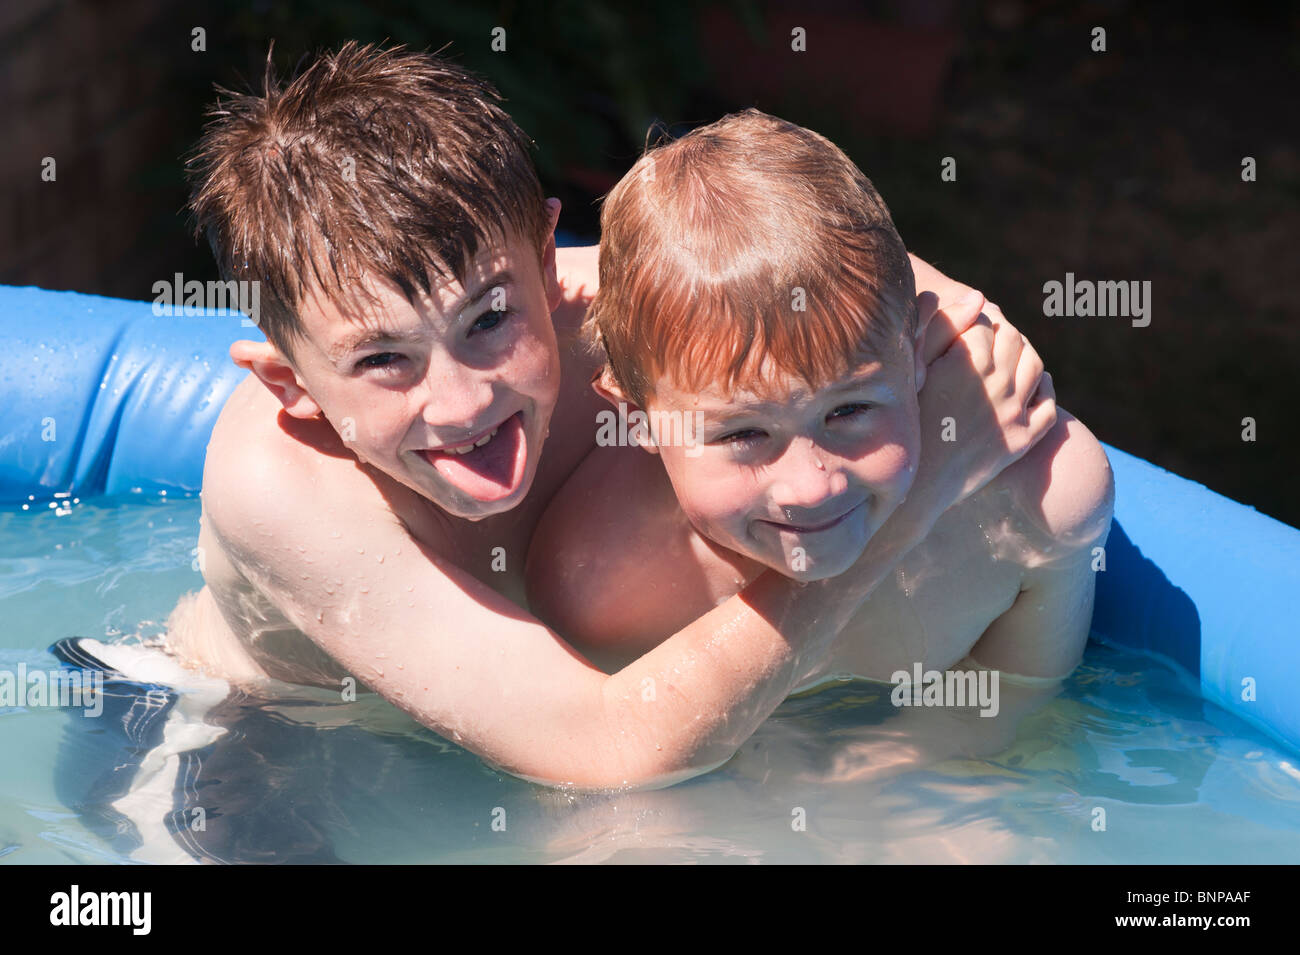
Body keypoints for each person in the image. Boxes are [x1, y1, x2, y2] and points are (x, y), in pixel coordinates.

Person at [70, 46, 1056, 802]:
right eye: (382, 360)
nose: (461, 402)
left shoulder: (617, 314)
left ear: (549, 260)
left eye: (490, 318)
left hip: (501, 733)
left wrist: (969, 324)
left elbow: (840, 277)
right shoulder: (280, 486)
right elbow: (610, 751)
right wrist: (912, 503)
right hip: (242, 734)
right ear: (292, 385)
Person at [528, 110, 1113, 736]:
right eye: (743, 434)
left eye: (851, 410)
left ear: (917, 354)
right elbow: (623, 763)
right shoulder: (605, 589)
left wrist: (883, 787)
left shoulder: (1042, 507)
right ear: (637, 419)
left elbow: (1013, 709)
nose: (811, 486)